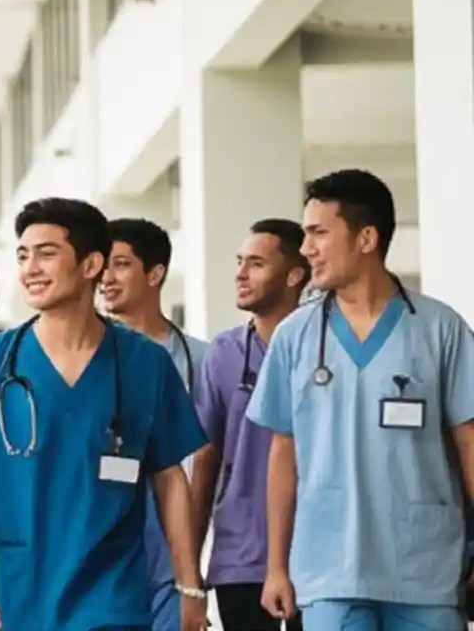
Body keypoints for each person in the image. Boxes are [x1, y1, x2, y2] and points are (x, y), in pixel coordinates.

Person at [0, 197, 209, 631]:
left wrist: (189, 586)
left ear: (91, 264)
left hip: (112, 595)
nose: (30, 269)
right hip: (20, 593)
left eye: (46, 253)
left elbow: (171, 478)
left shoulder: (144, 364)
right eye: (23, 256)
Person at [247, 169, 474, 630]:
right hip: (330, 572)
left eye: (318, 233)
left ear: (366, 237)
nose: (306, 247)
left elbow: (470, 444)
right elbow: (282, 453)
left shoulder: (441, 329)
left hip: (425, 571)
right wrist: (275, 565)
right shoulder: (295, 335)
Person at [189, 219, 308, 631]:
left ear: (295, 275)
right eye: (240, 262)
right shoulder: (223, 354)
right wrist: (189, 573)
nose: (240, 273)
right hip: (239, 560)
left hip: (316, 555)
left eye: (256, 263)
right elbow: (205, 462)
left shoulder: (325, 348)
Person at [101, 217, 210, 631]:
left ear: (155, 273)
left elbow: (208, 457)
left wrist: (192, 575)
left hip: (173, 541)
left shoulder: (200, 359)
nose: (106, 278)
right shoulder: (89, 356)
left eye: (121, 264)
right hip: (107, 533)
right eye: (103, 265)